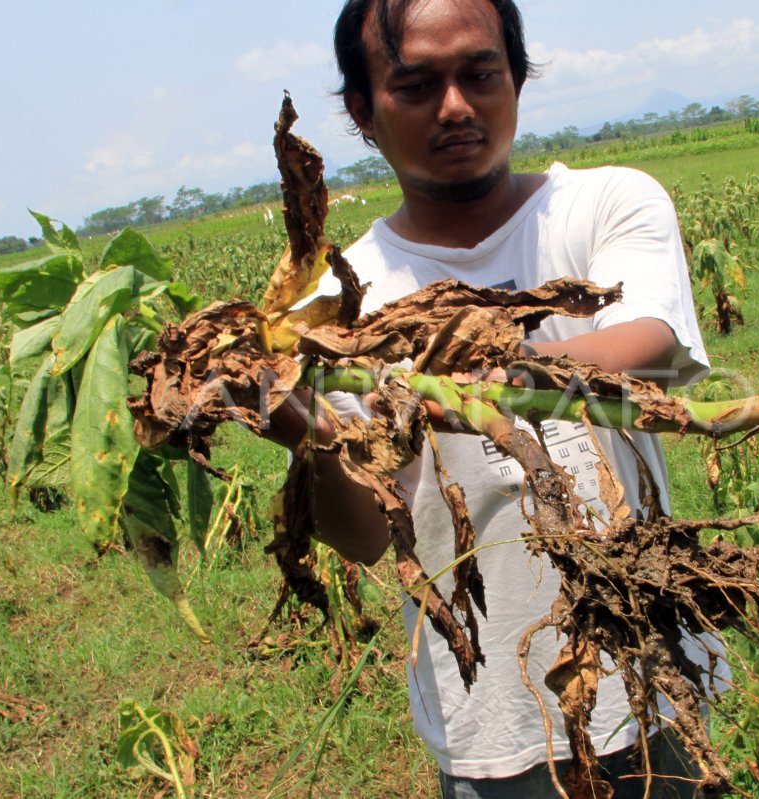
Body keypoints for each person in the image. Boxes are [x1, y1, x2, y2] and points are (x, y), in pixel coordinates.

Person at [276, 0, 714, 795]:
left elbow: (648, 342)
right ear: (361, 112)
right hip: (489, 722)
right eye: (415, 86)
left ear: (516, 76)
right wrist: (306, 432)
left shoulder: (606, 205)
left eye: (480, 74)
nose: (456, 107)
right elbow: (365, 536)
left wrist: (470, 380)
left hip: (651, 678)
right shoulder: (338, 307)